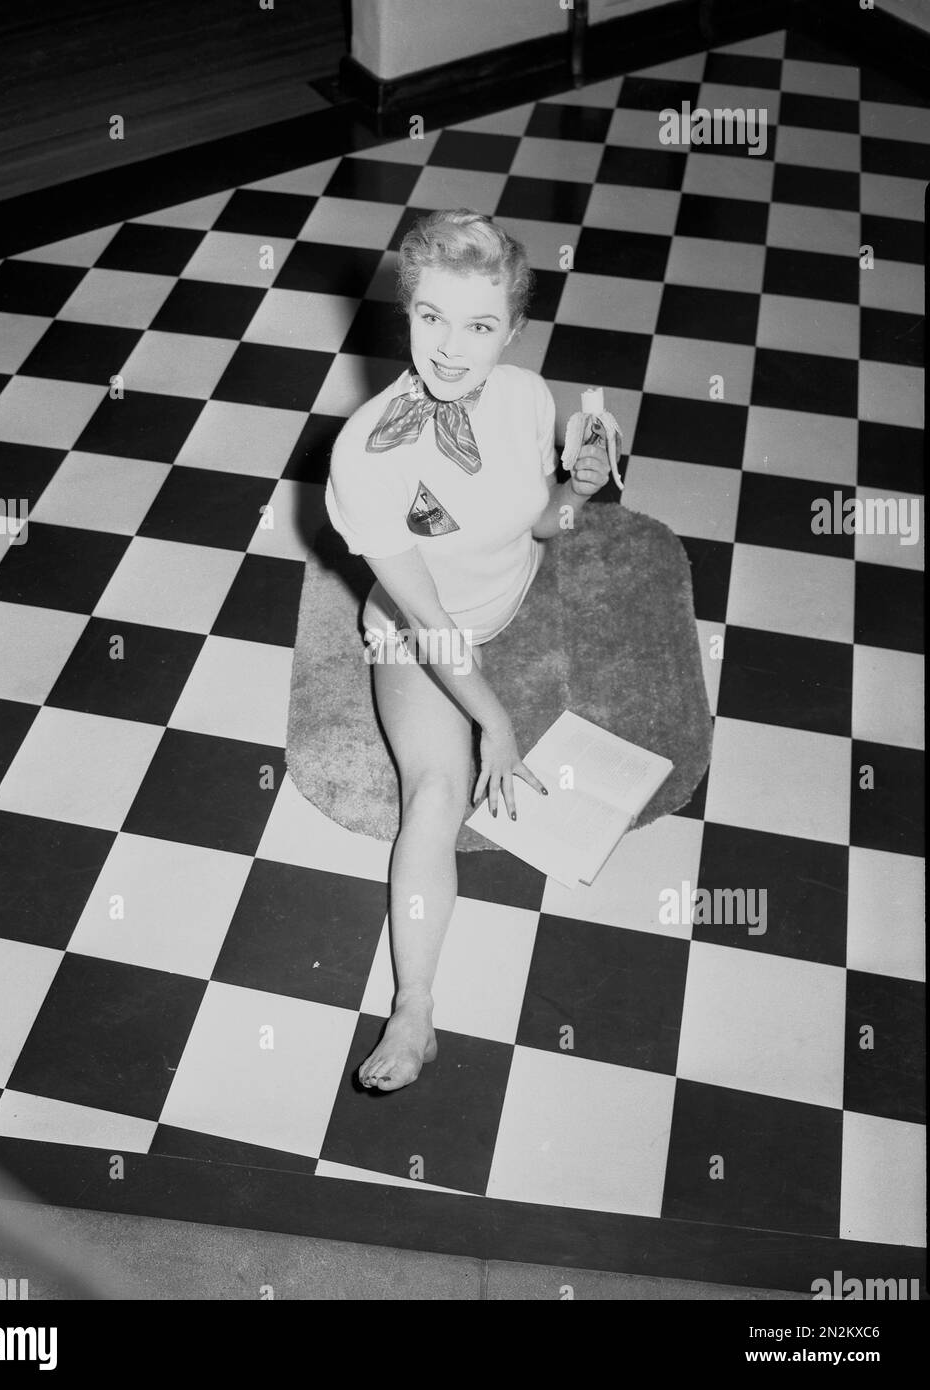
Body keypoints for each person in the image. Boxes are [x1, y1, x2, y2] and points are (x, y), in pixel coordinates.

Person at [324, 209, 613, 1091]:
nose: (451, 349)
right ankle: (414, 1008)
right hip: (423, 638)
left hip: (518, 601)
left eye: (481, 325)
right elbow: (431, 623)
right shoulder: (364, 456)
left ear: (513, 330)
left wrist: (581, 487)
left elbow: (543, 527)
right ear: (406, 312)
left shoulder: (526, 395)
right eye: (431, 318)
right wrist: (491, 719)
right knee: (438, 794)